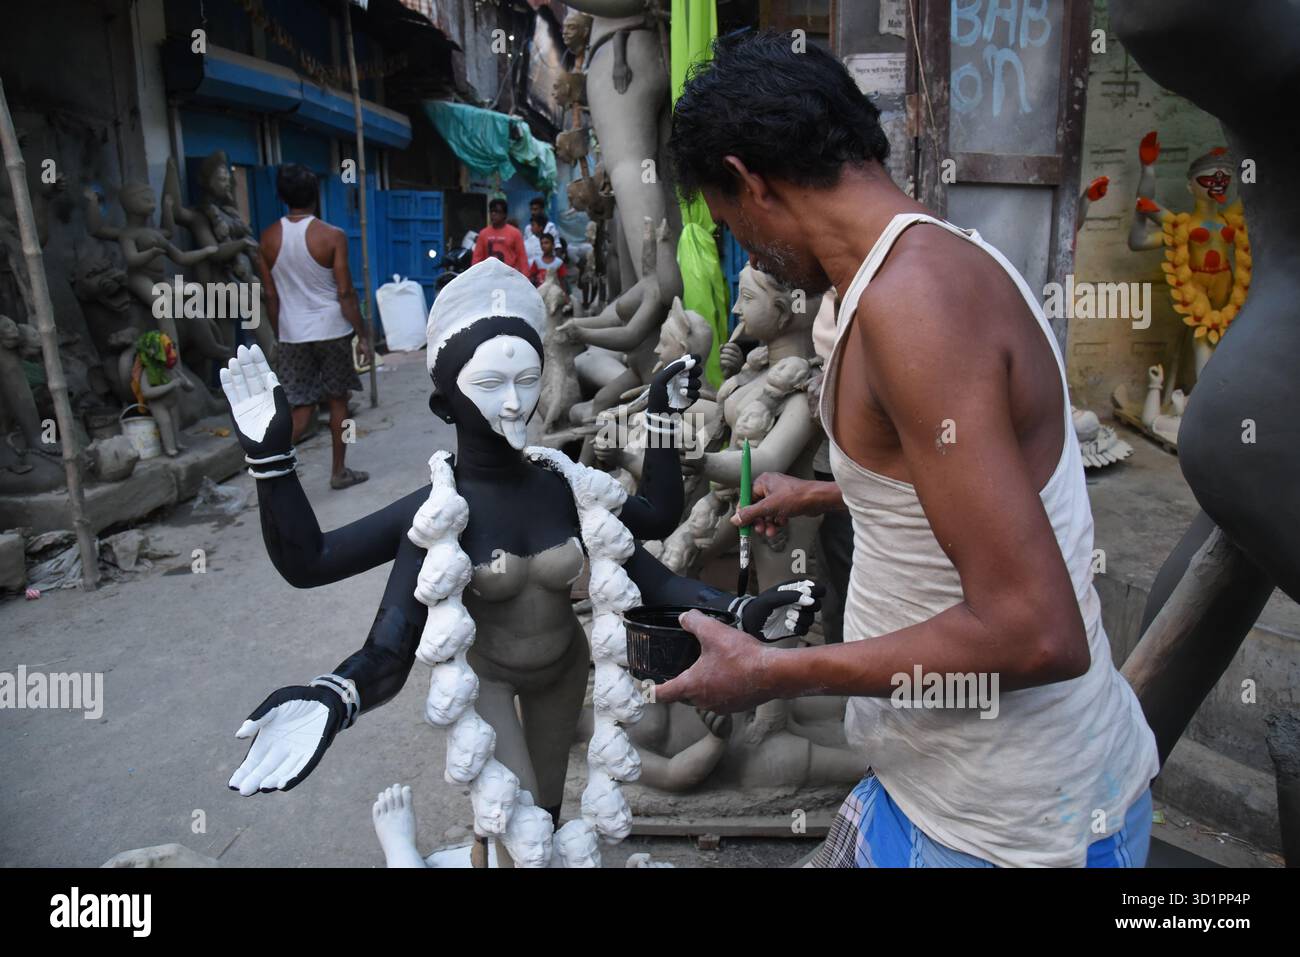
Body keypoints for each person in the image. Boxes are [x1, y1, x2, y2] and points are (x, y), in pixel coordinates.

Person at [660, 30, 1159, 868]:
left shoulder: (917, 306)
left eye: (729, 220)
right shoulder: (919, 267)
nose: (745, 248)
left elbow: (1038, 633)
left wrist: (775, 670)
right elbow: (968, 484)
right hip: (931, 793)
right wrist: (829, 492)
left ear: (751, 181)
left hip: (1004, 833)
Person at [254, 163, 369, 490]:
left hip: (293, 334)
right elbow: (345, 292)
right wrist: (363, 334)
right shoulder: (332, 235)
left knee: (301, 408)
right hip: (332, 330)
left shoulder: (267, 238)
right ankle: (339, 471)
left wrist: (281, 334)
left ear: (282, 197)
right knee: (338, 401)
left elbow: (270, 296)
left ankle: (269, 470)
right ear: (316, 194)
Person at [472, 198, 530, 275]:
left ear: (504, 214)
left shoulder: (515, 233)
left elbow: (522, 258)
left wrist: (525, 277)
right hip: (489, 275)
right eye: (491, 211)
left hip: (509, 276)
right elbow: (477, 259)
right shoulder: (483, 234)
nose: (493, 214)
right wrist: (474, 275)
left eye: (497, 211)